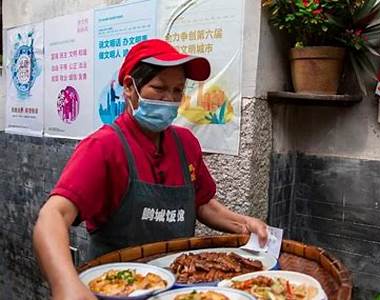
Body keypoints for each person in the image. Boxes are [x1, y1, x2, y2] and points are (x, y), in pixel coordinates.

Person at [32, 39, 268, 300]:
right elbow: (53, 215)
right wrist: (66, 283)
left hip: (177, 288)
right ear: (129, 88)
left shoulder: (186, 144)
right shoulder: (104, 147)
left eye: (178, 91)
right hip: (117, 289)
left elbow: (202, 204)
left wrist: (243, 223)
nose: (169, 100)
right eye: (159, 88)